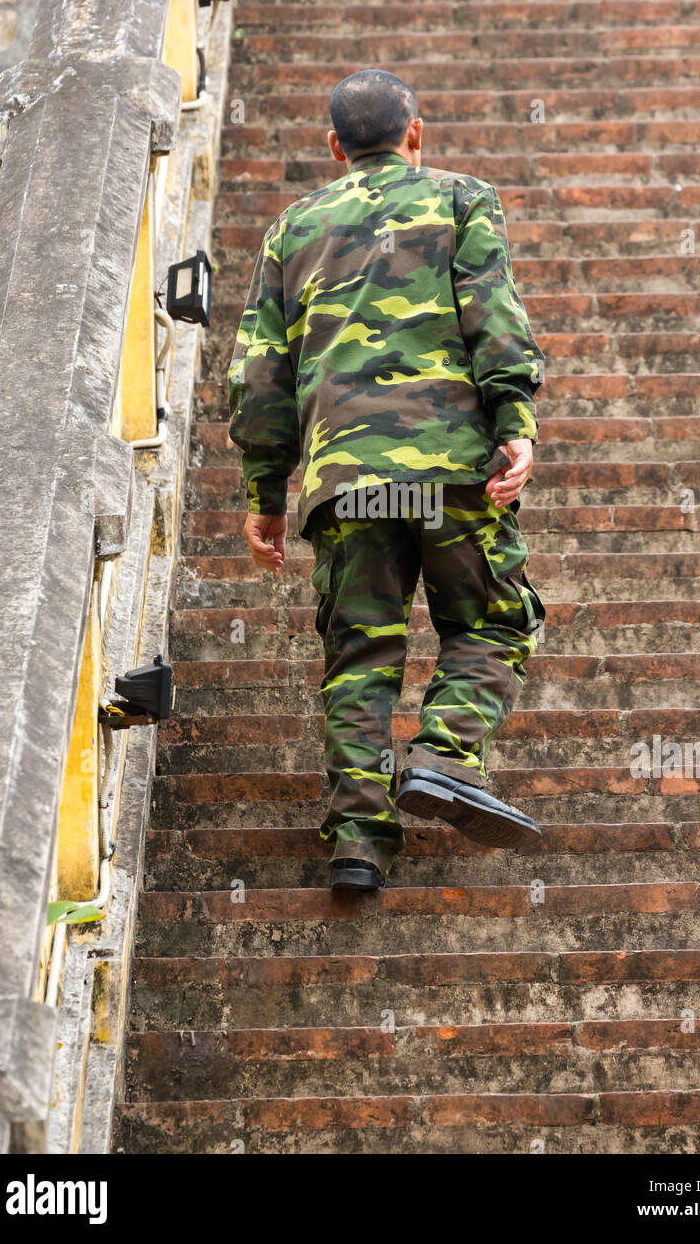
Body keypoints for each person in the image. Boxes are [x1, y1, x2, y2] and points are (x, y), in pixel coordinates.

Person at [228, 68, 546, 891]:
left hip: (348, 481)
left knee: (359, 656)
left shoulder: (292, 228)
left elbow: (259, 376)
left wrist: (266, 491)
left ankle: (359, 842)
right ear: (417, 131)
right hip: (450, 470)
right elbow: (493, 314)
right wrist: (514, 424)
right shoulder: (462, 199)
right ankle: (445, 752)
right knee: (496, 622)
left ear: (334, 146)